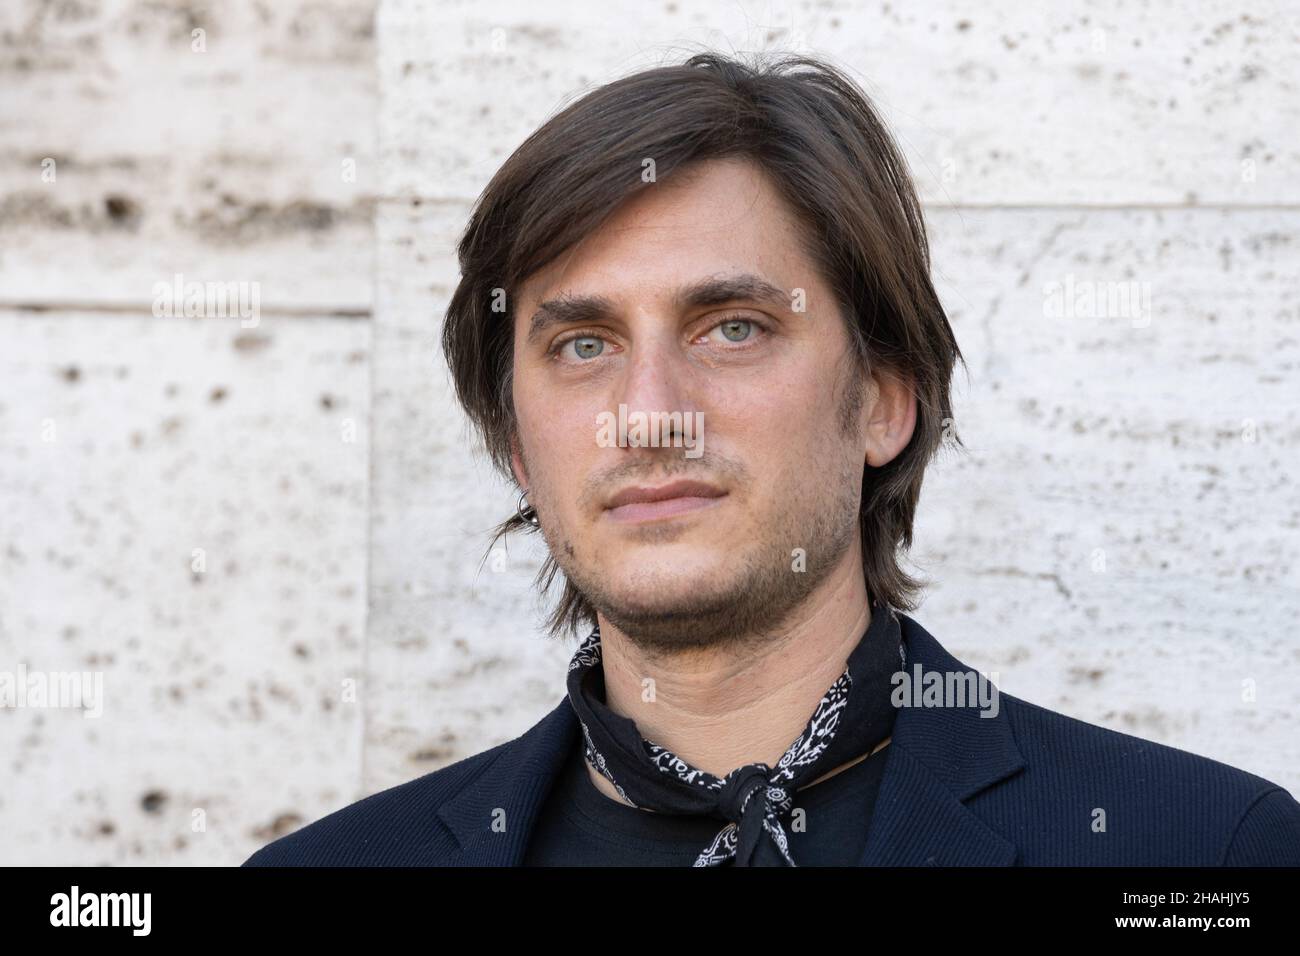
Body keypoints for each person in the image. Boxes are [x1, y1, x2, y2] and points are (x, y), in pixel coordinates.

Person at [244, 51, 1300, 867]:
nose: (648, 416)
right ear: (519, 444)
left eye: (732, 327)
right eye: (582, 345)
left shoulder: (1199, 850)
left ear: (883, 400)